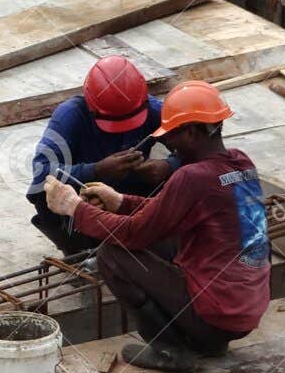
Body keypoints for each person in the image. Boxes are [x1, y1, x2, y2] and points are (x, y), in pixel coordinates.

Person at [44, 81, 271, 373]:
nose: (168, 146)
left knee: (113, 255)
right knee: (173, 239)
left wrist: (74, 207)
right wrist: (120, 201)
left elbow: (132, 234)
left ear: (192, 132)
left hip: (217, 315)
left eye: (172, 136)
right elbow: (163, 214)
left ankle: (170, 351)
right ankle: (209, 343)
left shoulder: (192, 177)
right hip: (244, 311)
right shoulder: (240, 164)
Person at [27, 55, 177, 256]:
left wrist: (169, 166)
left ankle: (153, 241)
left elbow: (202, 152)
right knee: (44, 193)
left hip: (133, 195)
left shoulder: (152, 109)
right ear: (91, 107)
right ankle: (80, 251)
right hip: (86, 196)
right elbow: (41, 172)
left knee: (188, 180)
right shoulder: (70, 115)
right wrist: (95, 171)